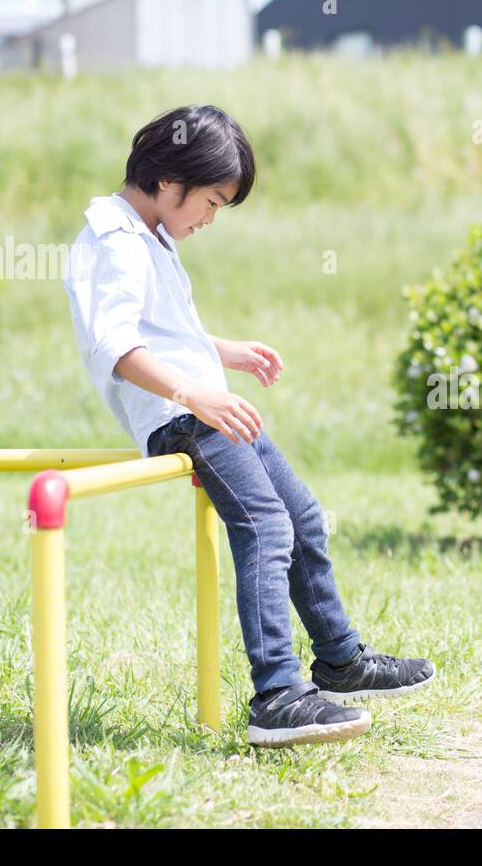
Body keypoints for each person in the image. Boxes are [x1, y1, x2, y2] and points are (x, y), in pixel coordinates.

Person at [61, 105, 434, 747]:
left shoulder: (150, 233)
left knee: (304, 516)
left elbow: (164, 331)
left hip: (207, 403)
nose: (209, 219)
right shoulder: (113, 240)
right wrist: (194, 391)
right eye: (210, 201)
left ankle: (341, 661)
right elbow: (115, 347)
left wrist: (220, 350)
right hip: (184, 416)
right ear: (168, 179)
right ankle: (277, 694)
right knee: (264, 525)